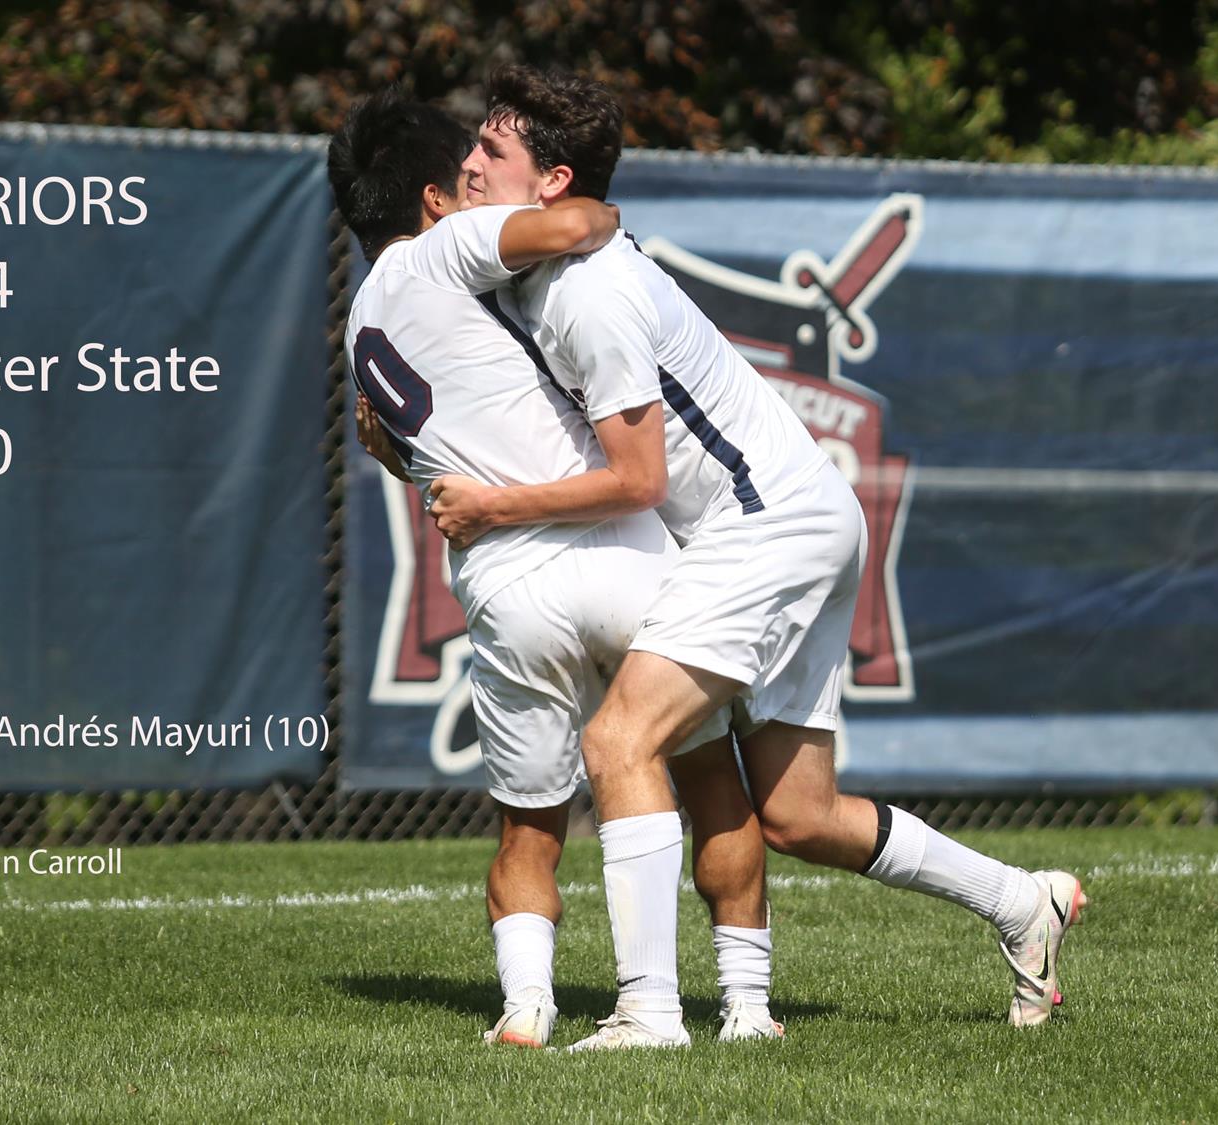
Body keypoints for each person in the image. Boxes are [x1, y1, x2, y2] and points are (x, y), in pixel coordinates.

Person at [427, 66, 1087, 1046]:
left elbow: (637, 480)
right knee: (799, 813)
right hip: (805, 513)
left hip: (763, 528)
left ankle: (647, 1015)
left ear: (554, 181)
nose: (469, 164)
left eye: (491, 151)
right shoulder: (545, 266)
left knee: (617, 743)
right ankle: (1019, 901)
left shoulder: (582, 294)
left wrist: (492, 504)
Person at [327, 89, 782, 1049]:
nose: (476, 185)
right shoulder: (446, 247)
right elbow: (578, 222)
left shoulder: (362, 329)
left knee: (526, 827)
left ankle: (525, 1009)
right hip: (612, 552)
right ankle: (737, 1004)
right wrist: (593, 207)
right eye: (463, 176)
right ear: (431, 199)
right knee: (704, 775)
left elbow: (405, 460)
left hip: (505, 589)